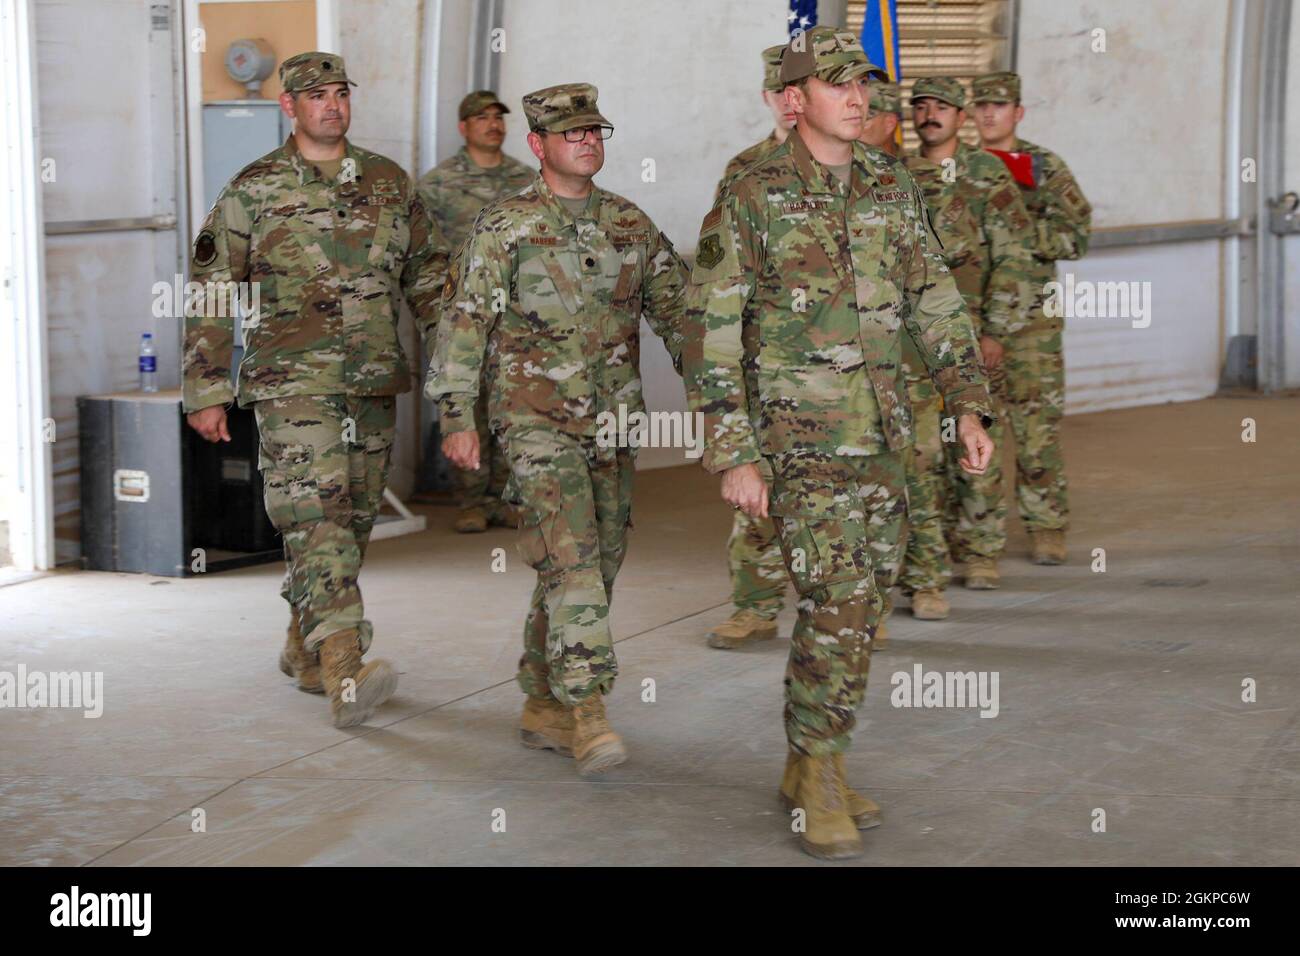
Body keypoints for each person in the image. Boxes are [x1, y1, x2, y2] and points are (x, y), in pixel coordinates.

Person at [684, 28, 994, 859]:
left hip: (885, 429)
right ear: (796, 98)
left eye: (863, 83)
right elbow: (711, 326)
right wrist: (735, 450)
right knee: (839, 598)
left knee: (857, 610)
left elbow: (933, 295)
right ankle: (820, 767)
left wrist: (967, 403)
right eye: (837, 84)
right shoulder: (752, 190)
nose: (858, 98)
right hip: (799, 435)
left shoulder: (892, 181)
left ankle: (807, 757)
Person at [428, 84, 687, 778]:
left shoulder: (630, 225)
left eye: (596, 131)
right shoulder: (504, 226)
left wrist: (722, 396)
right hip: (534, 425)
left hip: (612, 424)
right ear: (538, 146)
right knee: (573, 562)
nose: (588, 142)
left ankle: (541, 696)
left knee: (594, 569)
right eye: (572, 134)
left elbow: (682, 315)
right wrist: (457, 414)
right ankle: (587, 711)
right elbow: (465, 322)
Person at [183, 53, 443, 727]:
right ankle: (344, 669)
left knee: (350, 521)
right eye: (317, 96)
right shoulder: (254, 189)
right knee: (316, 516)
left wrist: (460, 376)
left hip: (371, 381)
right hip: (290, 384)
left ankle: (303, 644)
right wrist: (206, 388)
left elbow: (432, 284)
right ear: (288, 107)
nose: (333, 105)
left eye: (340, 93)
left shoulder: (388, 183)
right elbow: (210, 288)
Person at [905, 76, 1036, 597]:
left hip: (975, 334)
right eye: (922, 106)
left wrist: (997, 331)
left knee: (977, 438)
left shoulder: (988, 176)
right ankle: (928, 556)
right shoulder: (895, 173)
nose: (930, 114)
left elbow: (1014, 257)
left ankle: (981, 550)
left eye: (943, 106)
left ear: (962, 117)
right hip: (915, 342)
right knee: (921, 455)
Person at [970, 71, 1092, 565]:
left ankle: (1047, 526)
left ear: (1018, 112)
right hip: (972, 321)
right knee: (978, 432)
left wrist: (1016, 238)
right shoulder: (957, 167)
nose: (989, 114)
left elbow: (1076, 236)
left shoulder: (1040, 168)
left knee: (1037, 431)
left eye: (999, 106)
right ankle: (978, 540)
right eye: (980, 106)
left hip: (1032, 326)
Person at [704, 43, 801, 652]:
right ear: (767, 98)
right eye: (778, 94)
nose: (789, 105)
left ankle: (854, 605)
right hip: (766, 357)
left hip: (849, 362)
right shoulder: (744, 169)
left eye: (799, 91)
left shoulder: (866, 166)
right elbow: (720, 269)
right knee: (759, 485)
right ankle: (755, 605)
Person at [417, 90, 536, 533]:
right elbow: (422, 254)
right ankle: (469, 499)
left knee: (512, 403)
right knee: (465, 402)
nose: (492, 124)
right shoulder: (438, 184)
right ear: (463, 128)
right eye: (481, 118)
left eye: (497, 117)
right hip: (463, 314)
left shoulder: (526, 179)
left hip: (518, 313)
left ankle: (503, 497)